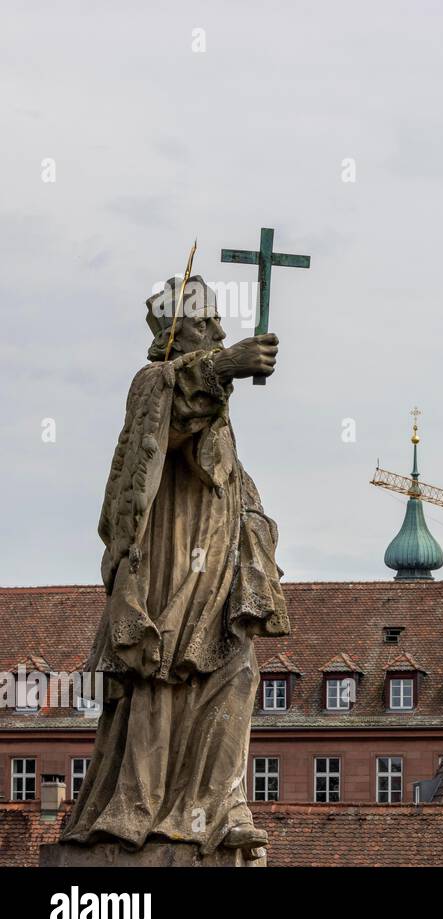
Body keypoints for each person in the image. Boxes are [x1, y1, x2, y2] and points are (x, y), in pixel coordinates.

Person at [59, 275, 289, 858]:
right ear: (173, 331)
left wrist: (256, 530)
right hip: (170, 555)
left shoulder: (204, 394)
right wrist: (223, 366)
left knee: (237, 671)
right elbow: (176, 416)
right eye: (204, 322)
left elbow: (226, 472)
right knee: (164, 673)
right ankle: (153, 810)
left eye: (218, 322)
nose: (217, 330)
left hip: (216, 558)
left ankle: (217, 806)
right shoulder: (153, 384)